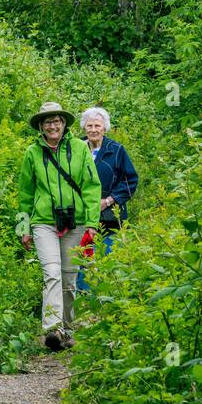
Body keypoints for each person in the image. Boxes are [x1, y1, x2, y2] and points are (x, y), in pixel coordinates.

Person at [18, 101, 101, 351]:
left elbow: (91, 186)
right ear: (41, 127)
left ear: (64, 124)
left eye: (57, 121)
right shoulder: (32, 153)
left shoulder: (79, 148)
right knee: (51, 272)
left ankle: (67, 329)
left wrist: (92, 223)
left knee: (68, 278)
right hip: (43, 221)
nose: (53, 126)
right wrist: (23, 228)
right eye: (47, 122)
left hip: (75, 222)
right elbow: (25, 193)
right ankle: (52, 329)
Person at [76, 107, 139, 292]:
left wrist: (109, 200)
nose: (93, 129)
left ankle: (105, 305)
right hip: (82, 215)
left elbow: (131, 180)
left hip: (109, 218)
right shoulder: (76, 147)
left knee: (106, 261)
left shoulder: (117, 150)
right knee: (83, 262)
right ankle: (85, 307)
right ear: (84, 128)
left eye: (97, 125)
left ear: (105, 128)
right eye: (89, 125)